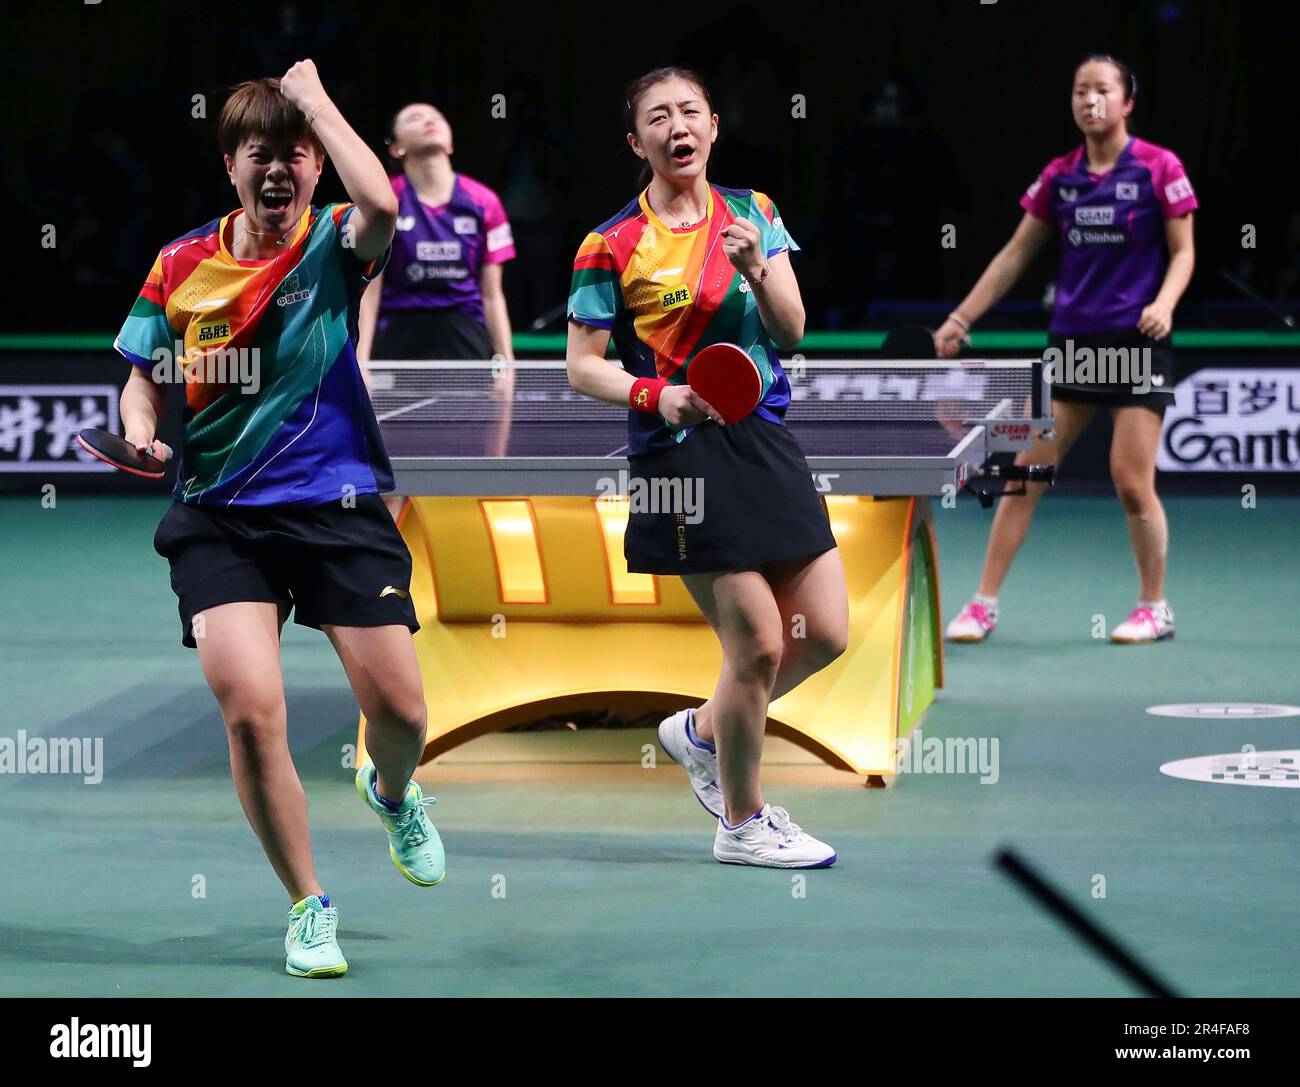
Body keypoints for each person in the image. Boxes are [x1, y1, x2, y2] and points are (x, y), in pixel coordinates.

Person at [114, 64, 446, 979]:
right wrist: (141, 431)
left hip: (335, 505)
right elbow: (143, 371)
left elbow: (380, 197)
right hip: (220, 517)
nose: (280, 170)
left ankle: (393, 790)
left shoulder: (337, 241)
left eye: (296, 154)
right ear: (231, 166)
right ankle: (308, 905)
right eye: (261, 153)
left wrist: (321, 105)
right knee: (253, 714)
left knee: (404, 711)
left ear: (314, 165)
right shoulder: (181, 263)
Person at [565, 67, 847, 869]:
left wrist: (759, 264)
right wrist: (658, 394)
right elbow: (582, 367)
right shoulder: (609, 244)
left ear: (714, 126)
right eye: (658, 117)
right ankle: (743, 819)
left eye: (690, 111)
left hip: (761, 436)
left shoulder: (754, 212)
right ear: (637, 141)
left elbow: (790, 333)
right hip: (676, 452)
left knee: (823, 630)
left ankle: (696, 732)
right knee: (757, 642)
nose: (677, 125)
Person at [935, 53, 1196, 645]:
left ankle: (1154, 607)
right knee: (1027, 474)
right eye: (1080, 91)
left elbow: (1183, 251)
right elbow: (1014, 255)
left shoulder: (1158, 167)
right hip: (1074, 345)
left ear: (1127, 101)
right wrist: (960, 317)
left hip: (1138, 341)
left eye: (1102, 90)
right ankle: (982, 604)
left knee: (1130, 480)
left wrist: (1165, 302)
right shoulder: (1060, 177)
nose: (1089, 100)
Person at [357, 100, 517, 482]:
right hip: (398, 341)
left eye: (436, 116)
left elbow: (493, 295)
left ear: (450, 141)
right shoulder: (386, 203)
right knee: (394, 451)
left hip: (464, 336)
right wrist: (360, 360)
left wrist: (505, 362)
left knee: (464, 450)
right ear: (397, 148)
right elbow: (370, 292)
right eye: (413, 117)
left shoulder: (484, 203)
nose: (428, 119)